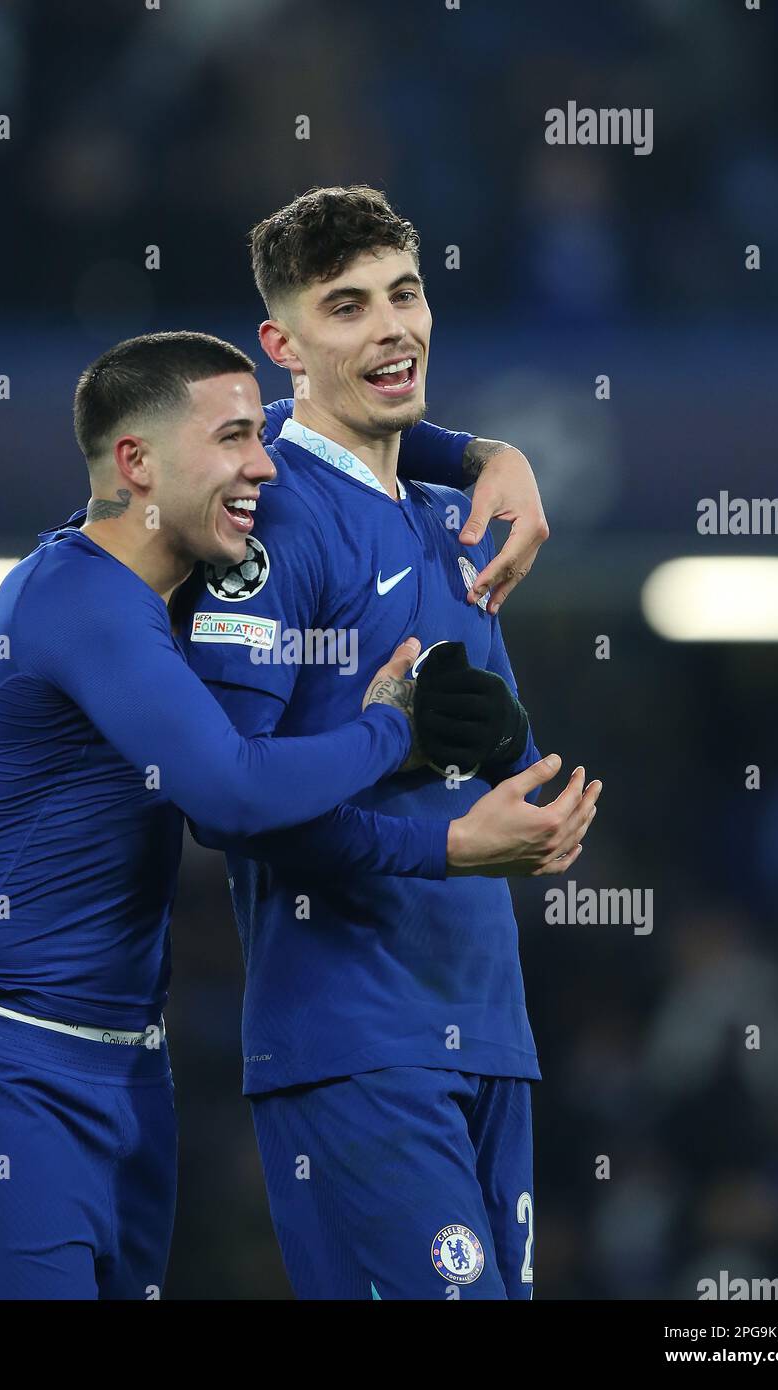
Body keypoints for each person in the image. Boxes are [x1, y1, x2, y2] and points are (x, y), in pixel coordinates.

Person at [0, 329, 546, 1300]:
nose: (263, 465)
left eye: (259, 436)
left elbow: (318, 425)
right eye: (234, 441)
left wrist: (491, 457)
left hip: (131, 1068)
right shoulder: (76, 596)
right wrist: (390, 738)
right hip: (0, 1058)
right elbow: (229, 789)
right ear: (137, 463)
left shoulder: (176, 576)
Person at [179, 186, 602, 1299]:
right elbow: (232, 798)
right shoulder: (267, 522)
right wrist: (455, 846)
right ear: (283, 346)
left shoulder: (441, 514)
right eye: (348, 306)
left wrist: (537, 806)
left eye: (405, 296)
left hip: (488, 1027)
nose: (391, 327)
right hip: (354, 1038)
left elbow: (491, 755)